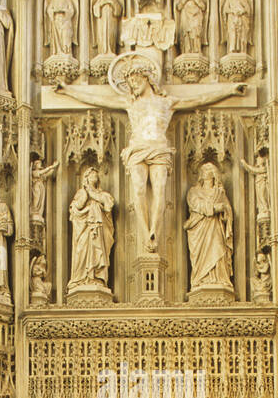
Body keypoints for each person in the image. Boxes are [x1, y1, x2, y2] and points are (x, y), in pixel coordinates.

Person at [56, 56, 244, 252]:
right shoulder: (130, 103)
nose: (133, 85)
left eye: (135, 80)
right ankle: (145, 232)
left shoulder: (166, 102)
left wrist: (230, 90)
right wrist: (68, 90)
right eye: (130, 82)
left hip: (159, 148)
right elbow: (97, 99)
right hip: (137, 148)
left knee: (160, 189)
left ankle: (155, 230)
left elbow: (200, 99)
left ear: (146, 78)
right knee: (138, 189)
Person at [185, 162, 233, 292]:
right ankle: (201, 279)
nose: (206, 172)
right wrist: (214, 208)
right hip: (200, 229)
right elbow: (195, 204)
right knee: (202, 257)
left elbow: (228, 211)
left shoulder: (219, 192)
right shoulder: (194, 191)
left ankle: (219, 278)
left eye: (209, 170)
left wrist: (224, 211)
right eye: (204, 170)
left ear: (214, 175)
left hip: (216, 227)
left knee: (218, 248)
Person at [68, 166, 115, 293]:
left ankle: (97, 277)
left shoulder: (102, 194)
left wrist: (92, 195)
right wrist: (86, 202)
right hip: (85, 229)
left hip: (99, 230)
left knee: (98, 251)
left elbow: (108, 206)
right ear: (86, 178)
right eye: (92, 175)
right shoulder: (81, 193)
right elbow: (75, 209)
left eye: (96, 175)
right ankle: (81, 278)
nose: (95, 176)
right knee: (82, 250)